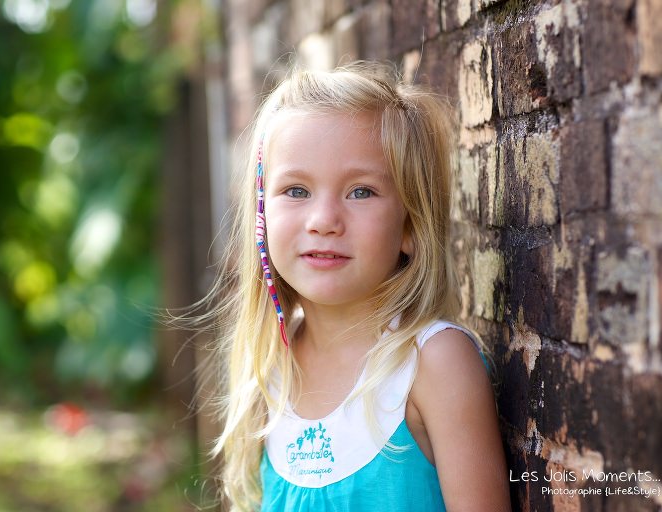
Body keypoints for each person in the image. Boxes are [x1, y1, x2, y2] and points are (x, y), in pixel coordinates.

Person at [201, 62, 510, 511]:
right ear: (262, 215)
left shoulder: (434, 363)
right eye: (296, 191)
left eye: (361, 191)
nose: (323, 220)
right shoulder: (271, 369)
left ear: (410, 226)